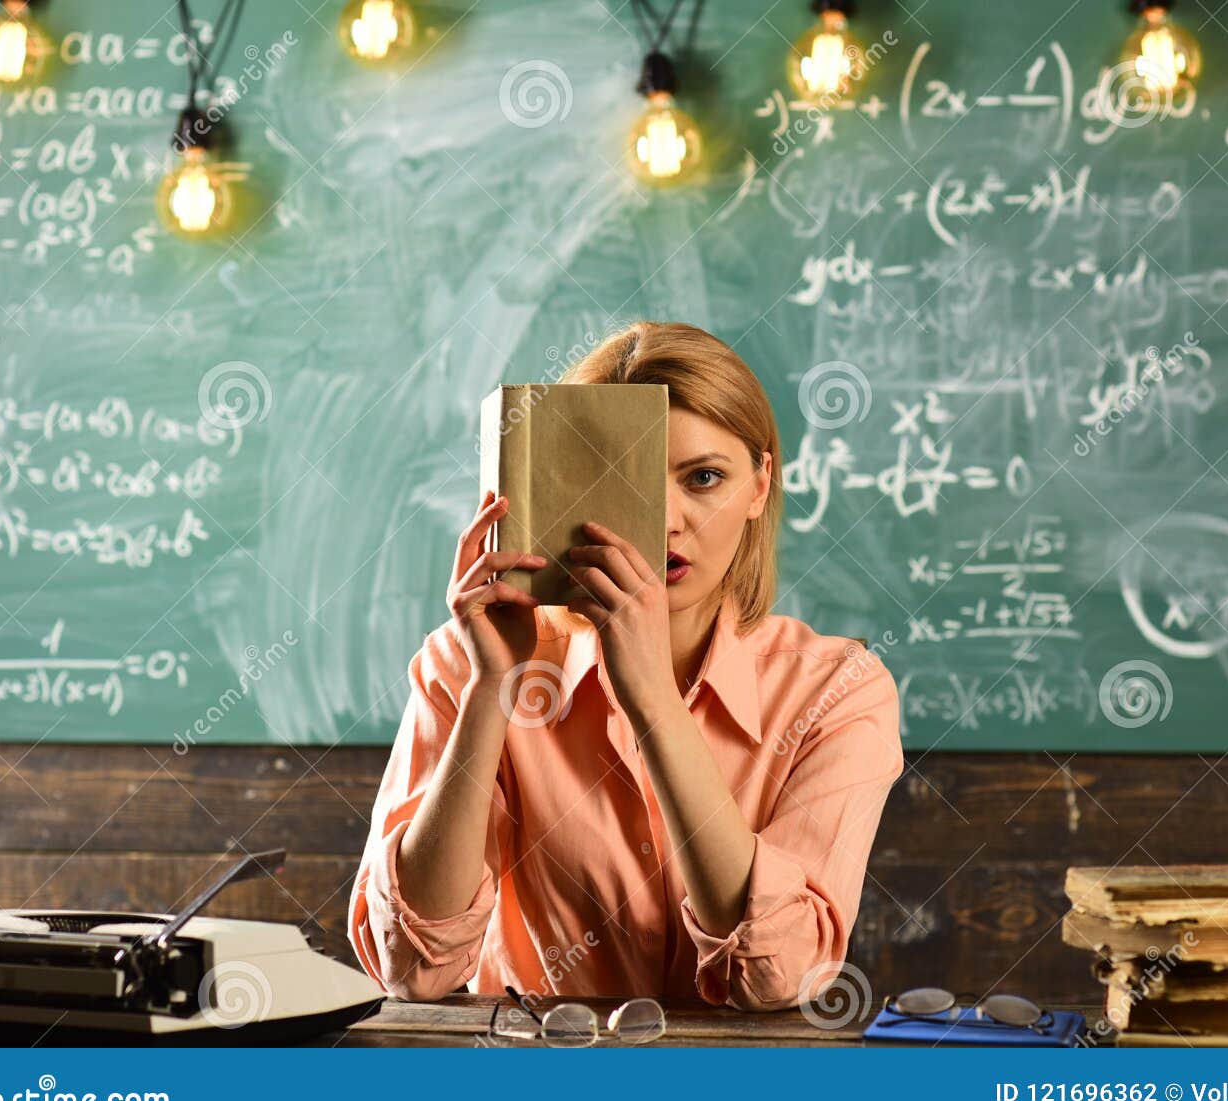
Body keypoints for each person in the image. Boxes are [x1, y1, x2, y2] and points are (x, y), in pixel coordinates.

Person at [348, 321, 903, 1011]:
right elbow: (412, 969)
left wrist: (655, 704)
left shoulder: (838, 691)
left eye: (704, 478)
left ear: (760, 487)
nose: (665, 521)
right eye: (618, 479)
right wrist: (490, 689)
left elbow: (780, 977)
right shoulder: (467, 663)